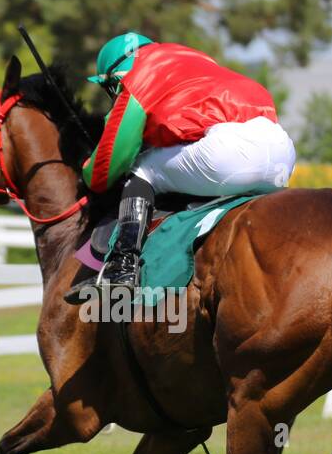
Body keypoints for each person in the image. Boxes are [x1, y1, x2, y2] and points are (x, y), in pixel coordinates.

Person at [73, 31, 296, 296]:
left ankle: (122, 266)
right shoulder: (196, 60)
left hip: (230, 153)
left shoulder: (140, 74)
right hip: (282, 150)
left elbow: (110, 164)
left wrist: (86, 172)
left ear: (115, 78)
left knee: (142, 168)